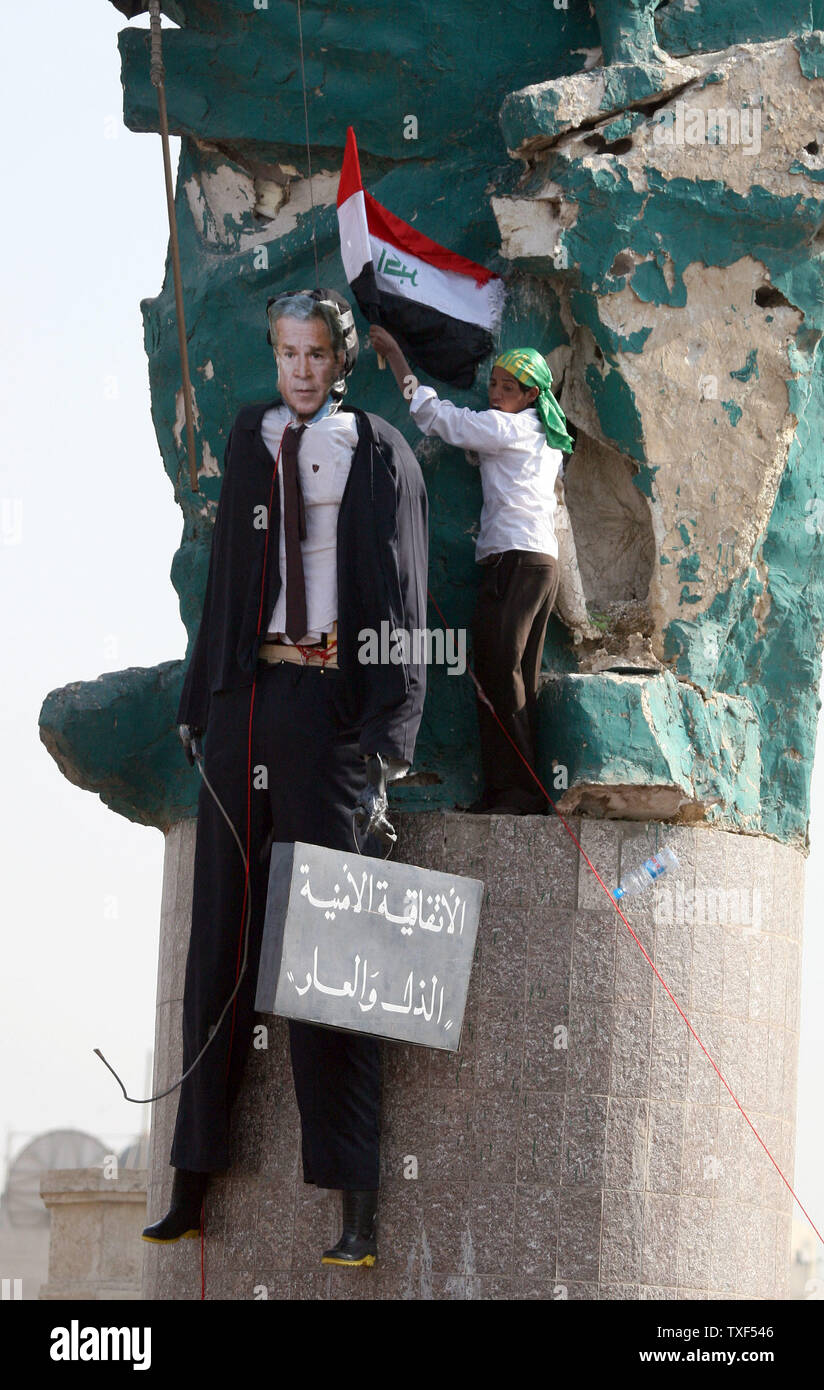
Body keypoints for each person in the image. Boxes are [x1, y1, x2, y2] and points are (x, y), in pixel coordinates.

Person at [141, 290, 428, 1268]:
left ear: (339, 358)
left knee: (332, 960)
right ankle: (186, 1182)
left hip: (326, 714)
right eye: (287, 353)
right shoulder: (250, 435)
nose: (300, 369)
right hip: (245, 703)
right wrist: (200, 701)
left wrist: (389, 728)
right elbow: (225, 579)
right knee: (214, 946)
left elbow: (403, 584)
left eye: (315, 354)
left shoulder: (378, 449)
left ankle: (354, 1207)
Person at [370, 325, 574, 815]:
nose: (497, 394)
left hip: (515, 562)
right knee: (517, 675)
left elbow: (436, 417)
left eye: (508, 388)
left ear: (531, 395)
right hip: (540, 564)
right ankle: (522, 788)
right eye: (494, 386)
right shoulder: (542, 436)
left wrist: (398, 357)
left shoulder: (509, 428)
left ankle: (515, 791)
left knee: (496, 674)